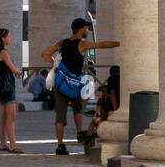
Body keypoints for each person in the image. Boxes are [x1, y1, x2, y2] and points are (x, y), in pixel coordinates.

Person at [42, 17, 119, 155]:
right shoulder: (82, 45)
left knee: (60, 115)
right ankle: (79, 133)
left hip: (61, 83)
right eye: (87, 28)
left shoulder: (62, 43)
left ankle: (60, 145)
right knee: (77, 108)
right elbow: (101, 45)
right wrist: (119, 43)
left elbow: (45, 53)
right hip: (75, 83)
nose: (88, 30)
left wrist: (56, 66)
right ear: (81, 29)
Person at [0, 27, 24, 153]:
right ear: (3, 39)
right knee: (11, 117)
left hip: (1, 88)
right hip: (7, 88)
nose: (10, 38)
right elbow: (13, 69)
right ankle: (13, 145)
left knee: (4, 117)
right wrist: (19, 72)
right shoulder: (4, 52)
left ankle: (3, 143)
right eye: (9, 36)